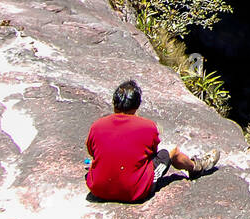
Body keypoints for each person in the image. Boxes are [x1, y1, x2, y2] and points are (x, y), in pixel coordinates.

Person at [85, 80, 219, 202]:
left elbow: (92, 152)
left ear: (114, 103)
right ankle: (196, 167)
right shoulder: (147, 126)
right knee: (171, 151)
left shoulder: (97, 126)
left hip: (99, 189)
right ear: (137, 105)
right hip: (135, 191)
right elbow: (152, 153)